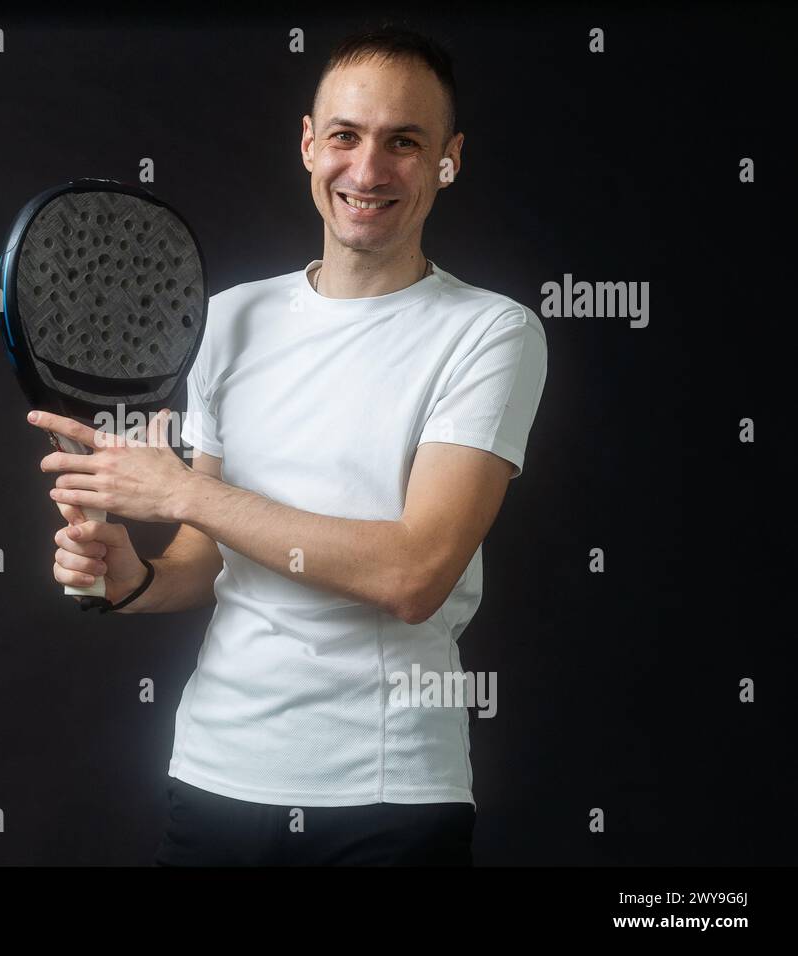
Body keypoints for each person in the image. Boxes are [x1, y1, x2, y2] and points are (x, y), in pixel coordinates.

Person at [28, 26, 547, 866]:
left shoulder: (492, 333)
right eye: (345, 136)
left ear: (448, 158)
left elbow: (414, 575)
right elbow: (209, 557)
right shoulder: (229, 318)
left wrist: (180, 493)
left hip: (388, 795)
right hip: (212, 775)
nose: (368, 171)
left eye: (403, 143)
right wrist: (135, 579)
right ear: (310, 144)